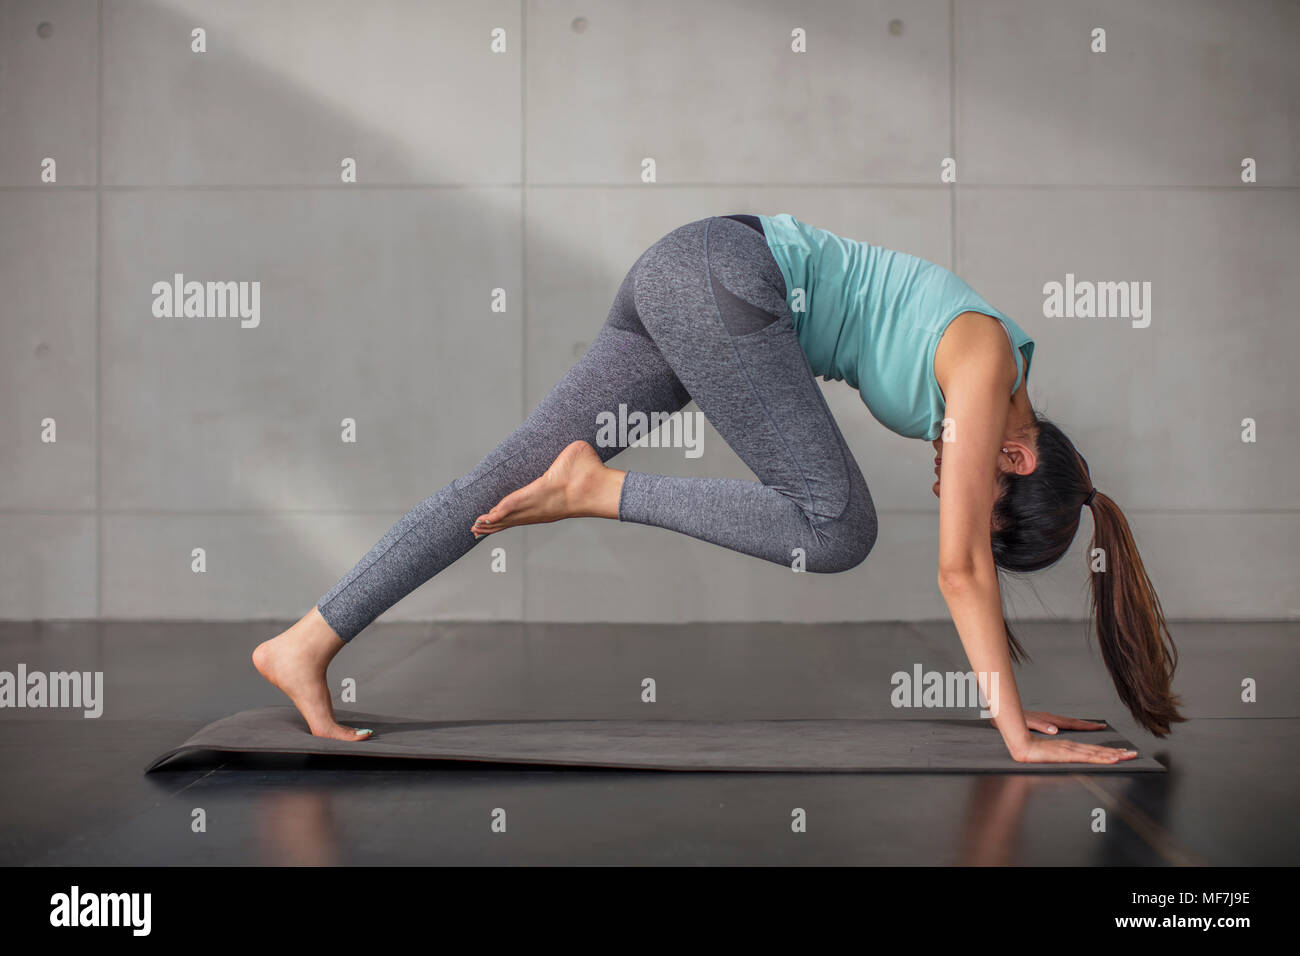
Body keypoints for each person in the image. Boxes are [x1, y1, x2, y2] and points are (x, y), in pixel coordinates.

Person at [253, 213, 1184, 764]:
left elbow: (966, 560)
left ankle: (305, 642)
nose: (950, 483)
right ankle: (594, 491)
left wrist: (1007, 702)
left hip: (692, 276)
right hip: (725, 283)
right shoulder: (985, 366)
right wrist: (1013, 732)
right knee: (838, 529)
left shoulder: (988, 385)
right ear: (1015, 462)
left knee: (505, 482)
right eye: (978, 495)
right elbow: (958, 570)